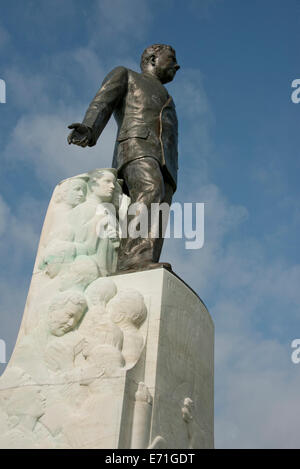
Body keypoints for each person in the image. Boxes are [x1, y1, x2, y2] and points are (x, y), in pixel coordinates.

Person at [67, 44, 180, 273]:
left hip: (166, 161)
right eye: (171, 58)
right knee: (150, 189)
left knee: (160, 208)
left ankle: (145, 260)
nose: (177, 65)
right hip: (136, 146)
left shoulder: (168, 96)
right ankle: (132, 259)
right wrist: (89, 128)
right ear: (152, 58)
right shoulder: (126, 75)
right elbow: (103, 101)